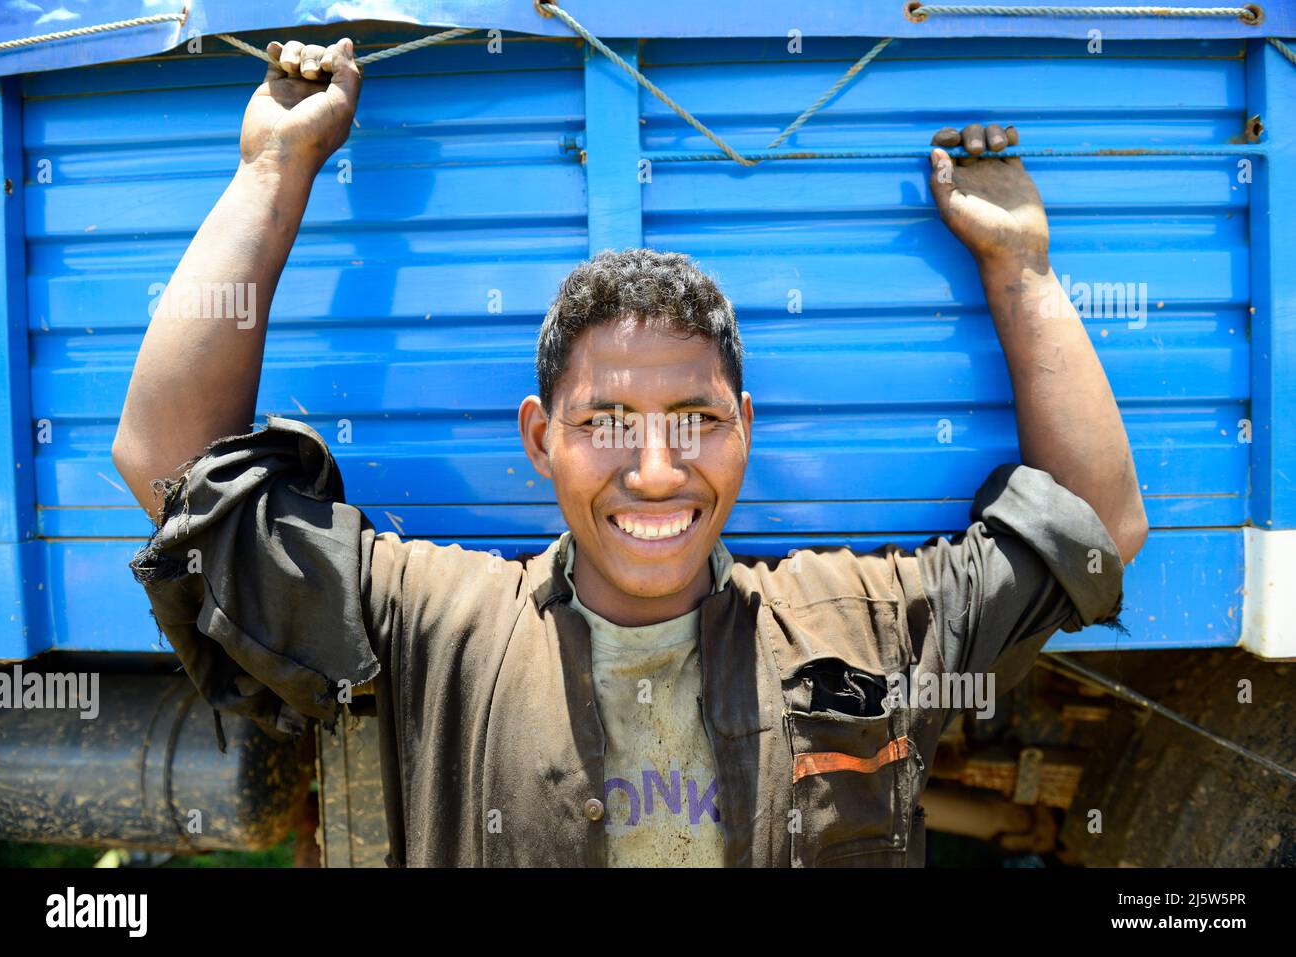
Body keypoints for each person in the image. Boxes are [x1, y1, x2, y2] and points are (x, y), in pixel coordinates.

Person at [113, 37, 1147, 867]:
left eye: (694, 419)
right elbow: (171, 466)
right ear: (537, 439)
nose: (655, 469)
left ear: (743, 428)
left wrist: (1021, 268)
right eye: (606, 422)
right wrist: (272, 170)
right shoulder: (438, 626)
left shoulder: (864, 626)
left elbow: (1093, 530)